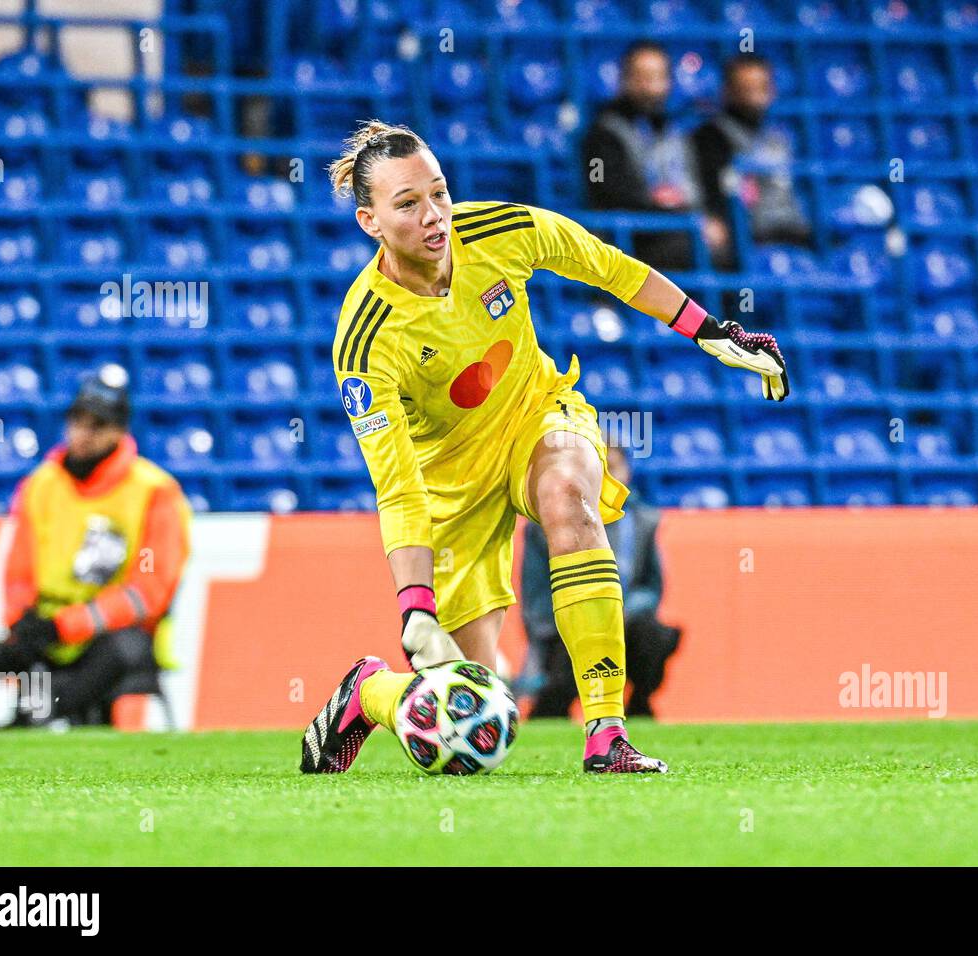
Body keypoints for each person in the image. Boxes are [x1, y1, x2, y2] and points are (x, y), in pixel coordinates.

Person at [300, 121, 787, 775]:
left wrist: (707, 330)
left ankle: (606, 733)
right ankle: (371, 692)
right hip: (451, 479)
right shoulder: (366, 337)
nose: (434, 216)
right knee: (472, 711)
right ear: (370, 222)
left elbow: (609, 267)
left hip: (537, 415)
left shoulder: (498, 232)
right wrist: (414, 609)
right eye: (407, 204)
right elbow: (398, 484)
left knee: (568, 493)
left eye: (439, 193)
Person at [0, 365, 191, 728]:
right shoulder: (41, 485)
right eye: (78, 421)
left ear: (120, 430)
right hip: (44, 630)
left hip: (115, 638)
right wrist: (23, 620)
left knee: (50, 702)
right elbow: (19, 571)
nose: (84, 434)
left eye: (98, 425)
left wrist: (70, 625)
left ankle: (29, 722)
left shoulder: (155, 491)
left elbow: (149, 592)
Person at [521, 446, 680, 718]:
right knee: (559, 682)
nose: (606, 475)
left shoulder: (644, 521)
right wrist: (571, 619)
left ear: (628, 472)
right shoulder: (543, 524)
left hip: (626, 621)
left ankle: (639, 705)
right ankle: (551, 705)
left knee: (653, 634)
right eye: (598, 467)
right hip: (566, 625)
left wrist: (618, 613)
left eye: (614, 467)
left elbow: (651, 587)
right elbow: (535, 592)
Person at [580, 41, 727, 271]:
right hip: (637, 238)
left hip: (690, 229)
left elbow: (708, 188)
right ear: (624, 80)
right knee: (694, 253)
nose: (650, 87)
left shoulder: (683, 131)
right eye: (642, 76)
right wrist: (676, 215)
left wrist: (712, 218)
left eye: (658, 76)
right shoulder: (603, 134)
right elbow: (609, 194)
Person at [692, 53, 812, 259]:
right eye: (746, 89)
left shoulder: (780, 137)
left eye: (761, 88)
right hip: (746, 236)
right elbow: (714, 194)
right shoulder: (710, 137)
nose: (754, 98)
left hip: (792, 232)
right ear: (728, 91)